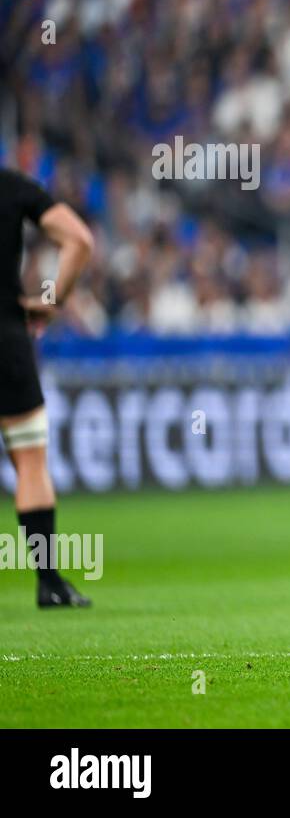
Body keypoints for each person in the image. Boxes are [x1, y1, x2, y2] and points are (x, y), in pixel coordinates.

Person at [1, 166, 96, 607]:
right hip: (6, 339)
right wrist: (53, 299)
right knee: (31, 461)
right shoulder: (12, 186)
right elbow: (79, 239)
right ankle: (48, 583)